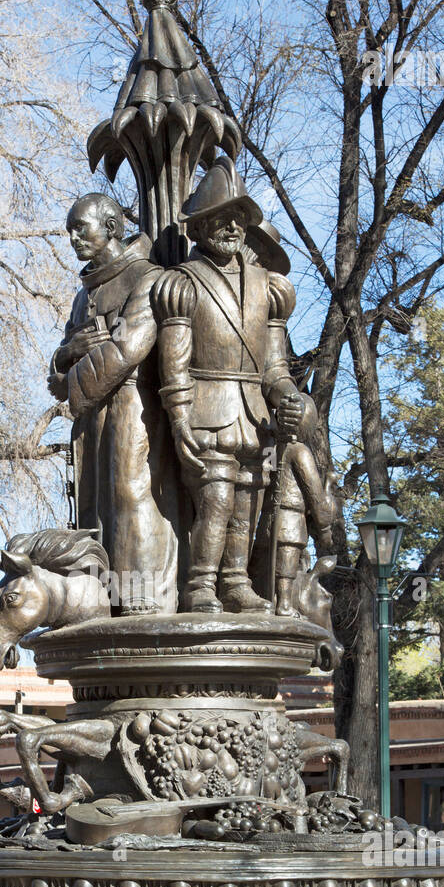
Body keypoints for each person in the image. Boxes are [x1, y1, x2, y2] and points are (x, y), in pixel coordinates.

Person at [152, 156, 314, 613]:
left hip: (252, 412)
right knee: (217, 499)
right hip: (206, 409)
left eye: (238, 219)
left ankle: (236, 582)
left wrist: (287, 397)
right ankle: (200, 584)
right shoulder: (181, 282)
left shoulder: (270, 288)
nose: (231, 227)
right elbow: (175, 360)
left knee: (247, 504)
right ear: (198, 228)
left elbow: (275, 367)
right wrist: (179, 415)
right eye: (219, 219)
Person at [48, 193, 178, 614]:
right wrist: (68, 355)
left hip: (130, 406)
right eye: (69, 230)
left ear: (111, 227)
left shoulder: (146, 278)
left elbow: (128, 348)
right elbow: (62, 355)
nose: (72, 238)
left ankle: (142, 595)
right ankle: (101, 595)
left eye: (80, 228)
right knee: (93, 504)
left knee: (131, 494)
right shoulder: (82, 295)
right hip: (91, 415)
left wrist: (70, 380)